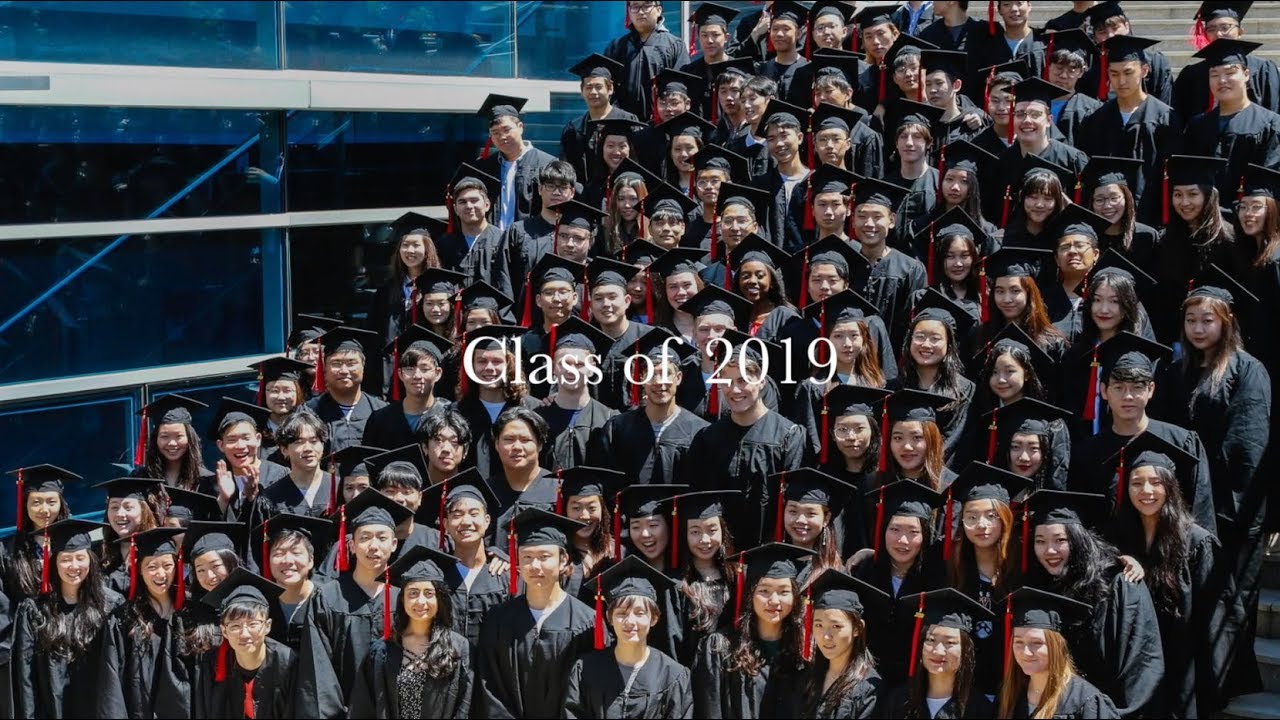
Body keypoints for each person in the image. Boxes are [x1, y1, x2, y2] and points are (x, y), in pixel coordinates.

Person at [1110, 436, 1240, 718]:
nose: (1146, 490)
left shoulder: (1196, 542)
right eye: (1136, 483)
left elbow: (1218, 615)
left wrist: (1210, 682)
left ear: (1170, 487)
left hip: (1182, 666)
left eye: (1156, 483)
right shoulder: (1120, 539)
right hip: (1137, 663)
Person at [1022, 490, 1164, 716]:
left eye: (1060, 540)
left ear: (1078, 539)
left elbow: (1142, 662)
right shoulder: (1040, 587)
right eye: (1040, 541)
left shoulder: (1119, 583)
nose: (1050, 550)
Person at [1069, 332, 1217, 532]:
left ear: (1151, 390)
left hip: (1173, 553)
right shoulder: (1087, 454)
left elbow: (1201, 513)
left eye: (1137, 387)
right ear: (1104, 391)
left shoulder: (1182, 443)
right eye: (1118, 387)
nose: (1128, 396)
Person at [300, 489, 412, 717]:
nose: (373, 546)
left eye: (382, 538)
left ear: (394, 544)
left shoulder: (406, 599)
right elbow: (318, 672)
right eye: (364, 538)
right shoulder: (328, 598)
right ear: (351, 545)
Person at [684, 339, 808, 545]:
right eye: (727, 382)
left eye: (742, 381)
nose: (734, 390)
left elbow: (792, 503)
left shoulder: (788, 436)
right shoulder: (708, 438)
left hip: (769, 551)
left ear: (762, 381)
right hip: (719, 550)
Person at [475, 507, 595, 717]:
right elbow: (489, 687)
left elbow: (590, 690)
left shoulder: (587, 623)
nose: (534, 565)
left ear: (563, 560)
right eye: (527, 557)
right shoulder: (499, 620)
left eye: (544, 556)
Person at [11, 519, 127, 719]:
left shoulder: (111, 605)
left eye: (80, 557)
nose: (74, 566)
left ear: (91, 559)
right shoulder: (35, 611)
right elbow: (26, 679)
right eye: (65, 559)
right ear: (53, 562)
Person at [692, 542, 815, 719]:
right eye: (764, 591)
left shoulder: (804, 649)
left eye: (783, 591)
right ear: (750, 593)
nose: (774, 600)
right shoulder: (719, 647)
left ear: (795, 597)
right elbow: (710, 710)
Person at [347, 546, 472, 719]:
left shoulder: (458, 647)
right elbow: (364, 708)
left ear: (439, 599)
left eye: (429, 593)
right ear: (403, 599)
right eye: (413, 593)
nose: (421, 601)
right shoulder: (383, 650)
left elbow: (465, 705)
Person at [564, 556, 694, 718]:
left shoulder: (672, 676)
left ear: (654, 618)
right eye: (621, 614)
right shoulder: (585, 670)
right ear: (609, 618)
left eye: (640, 613)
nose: (630, 621)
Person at [945, 462, 1033, 696]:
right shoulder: (951, 570)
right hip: (967, 692)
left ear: (1005, 519)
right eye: (971, 517)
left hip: (1017, 689)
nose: (981, 525)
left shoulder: (1026, 569)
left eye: (991, 516)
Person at [1078, 35, 1183, 225]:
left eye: (1128, 72)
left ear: (1144, 70)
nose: (1121, 81)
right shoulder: (1097, 119)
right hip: (1106, 215)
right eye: (1114, 74)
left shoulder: (1164, 117)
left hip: (1150, 214)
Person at [850, 481, 944, 686]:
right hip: (866, 680)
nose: (903, 540)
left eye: (913, 532)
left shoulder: (937, 580)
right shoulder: (863, 572)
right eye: (895, 529)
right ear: (883, 531)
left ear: (925, 535)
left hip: (917, 683)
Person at [588, 329, 709, 485]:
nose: (659, 381)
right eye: (651, 373)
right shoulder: (618, 429)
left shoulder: (699, 432)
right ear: (641, 378)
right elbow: (606, 484)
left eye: (666, 373)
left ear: (678, 378)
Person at [416, 471, 510, 653]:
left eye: (474, 513)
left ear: (487, 521)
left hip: (492, 676)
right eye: (457, 515)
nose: (466, 521)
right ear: (445, 523)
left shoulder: (503, 575)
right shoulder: (436, 575)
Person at [1151, 154, 1241, 344]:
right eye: (1178, 195)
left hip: (1219, 337)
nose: (1184, 203)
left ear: (1208, 196)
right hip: (1172, 336)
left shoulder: (1229, 240)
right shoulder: (1166, 240)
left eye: (1193, 194)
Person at [998, 587, 1121, 719]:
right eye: (1019, 642)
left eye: (1037, 643)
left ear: (1056, 645)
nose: (1026, 652)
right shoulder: (1011, 695)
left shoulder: (1085, 701)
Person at [1181, 39, 1280, 201]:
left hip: (1250, 217)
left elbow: (1270, 180)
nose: (1222, 80)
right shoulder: (1197, 126)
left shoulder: (1270, 125)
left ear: (1246, 74)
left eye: (1230, 73)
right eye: (1214, 74)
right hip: (1207, 217)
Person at [194, 569, 300, 719]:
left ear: (267, 626)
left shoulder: (289, 663)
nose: (244, 634)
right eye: (235, 626)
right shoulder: (214, 663)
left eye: (253, 624)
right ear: (224, 631)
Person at [107, 527, 190, 719]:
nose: (160, 574)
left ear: (177, 566)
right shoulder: (124, 619)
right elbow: (113, 682)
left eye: (167, 566)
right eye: (151, 567)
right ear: (140, 571)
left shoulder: (190, 611)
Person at [878, 588, 997, 718]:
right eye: (931, 640)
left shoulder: (979, 708)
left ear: (965, 650)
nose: (938, 651)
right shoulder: (898, 702)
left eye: (950, 643)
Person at [450, 325, 540, 481]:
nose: (489, 368)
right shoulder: (456, 413)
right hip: (473, 499)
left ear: (509, 365)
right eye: (482, 361)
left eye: (497, 361)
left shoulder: (532, 409)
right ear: (471, 366)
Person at [367, 212, 443, 396]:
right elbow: (376, 334)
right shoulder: (386, 292)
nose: (410, 251)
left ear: (427, 249)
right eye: (405, 245)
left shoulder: (440, 287)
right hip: (393, 372)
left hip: (427, 369)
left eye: (416, 245)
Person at [895, 296, 976, 463]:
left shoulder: (964, 390)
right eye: (919, 336)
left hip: (944, 475)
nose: (926, 344)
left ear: (949, 344)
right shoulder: (894, 387)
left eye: (935, 338)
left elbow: (955, 439)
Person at [850, 178, 927, 352]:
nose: (869, 224)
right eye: (862, 216)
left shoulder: (910, 269)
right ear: (853, 220)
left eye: (877, 217)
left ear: (892, 220)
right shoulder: (847, 264)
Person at [797, 569, 884, 719]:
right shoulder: (809, 677)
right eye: (818, 625)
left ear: (857, 628)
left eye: (836, 626)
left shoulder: (868, 687)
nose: (826, 636)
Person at [1173, 2, 1280, 122]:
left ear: (1240, 32)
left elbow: (1274, 112)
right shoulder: (1191, 74)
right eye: (1211, 29)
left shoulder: (1263, 70)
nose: (1218, 34)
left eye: (1225, 27)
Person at [534, 318, 618, 471]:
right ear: (553, 367)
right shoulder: (537, 419)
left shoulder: (609, 419)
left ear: (592, 367)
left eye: (579, 364)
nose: (570, 370)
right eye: (564, 364)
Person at [473, 94, 556, 231]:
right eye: (495, 132)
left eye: (507, 129)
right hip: (494, 240)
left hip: (531, 240)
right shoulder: (484, 167)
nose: (502, 137)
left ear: (520, 127)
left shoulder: (547, 163)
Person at [364, 324, 452, 451]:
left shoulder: (450, 413)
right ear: (400, 374)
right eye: (409, 369)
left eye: (425, 369)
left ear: (438, 373)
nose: (417, 375)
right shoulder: (380, 419)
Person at [253, 513, 331, 652]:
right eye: (278, 554)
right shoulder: (260, 603)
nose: (287, 561)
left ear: (311, 560)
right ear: (268, 560)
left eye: (296, 552)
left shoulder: (329, 601)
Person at [304, 327, 388, 455]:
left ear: (363, 367)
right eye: (336, 363)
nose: (344, 370)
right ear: (324, 368)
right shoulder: (309, 412)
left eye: (351, 363)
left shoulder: (382, 411)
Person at [602, 1, 689, 123]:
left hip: (661, 124)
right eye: (635, 6)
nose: (641, 12)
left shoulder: (674, 45)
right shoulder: (617, 47)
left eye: (647, 6)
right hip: (623, 125)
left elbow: (680, 87)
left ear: (659, 10)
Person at [2, 464, 77, 604]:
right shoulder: (7, 550)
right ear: (25, 505)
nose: (45, 510)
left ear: (61, 505)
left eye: (51, 502)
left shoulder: (74, 542)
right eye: (36, 502)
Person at [435, 164, 512, 299]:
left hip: (491, 317)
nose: (469, 206)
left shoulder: (503, 241)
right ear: (455, 209)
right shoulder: (444, 245)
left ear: (487, 204)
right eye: (462, 202)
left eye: (474, 200)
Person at [562, 53, 640, 186]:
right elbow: (568, 167)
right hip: (586, 197)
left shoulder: (628, 120)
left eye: (598, 87)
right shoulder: (574, 128)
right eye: (588, 87)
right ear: (582, 91)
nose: (593, 92)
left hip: (622, 192)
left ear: (610, 89)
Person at [1081, 2, 1174, 105]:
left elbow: (1165, 106)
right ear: (1094, 37)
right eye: (1102, 31)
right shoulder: (1091, 69)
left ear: (1127, 26)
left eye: (1115, 28)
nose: (1111, 35)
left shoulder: (1156, 63)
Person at [257, 408, 336, 520]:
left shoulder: (338, 488)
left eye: (314, 441)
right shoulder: (272, 495)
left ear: (323, 445)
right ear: (284, 449)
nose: (308, 448)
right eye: (299, 442)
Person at [133, 393, 215, 489]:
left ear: (189, 438)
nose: (172, 443)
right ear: (155, 439)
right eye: (165, 436)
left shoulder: (206, 480)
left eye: (179, 436)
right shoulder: (141, 478)